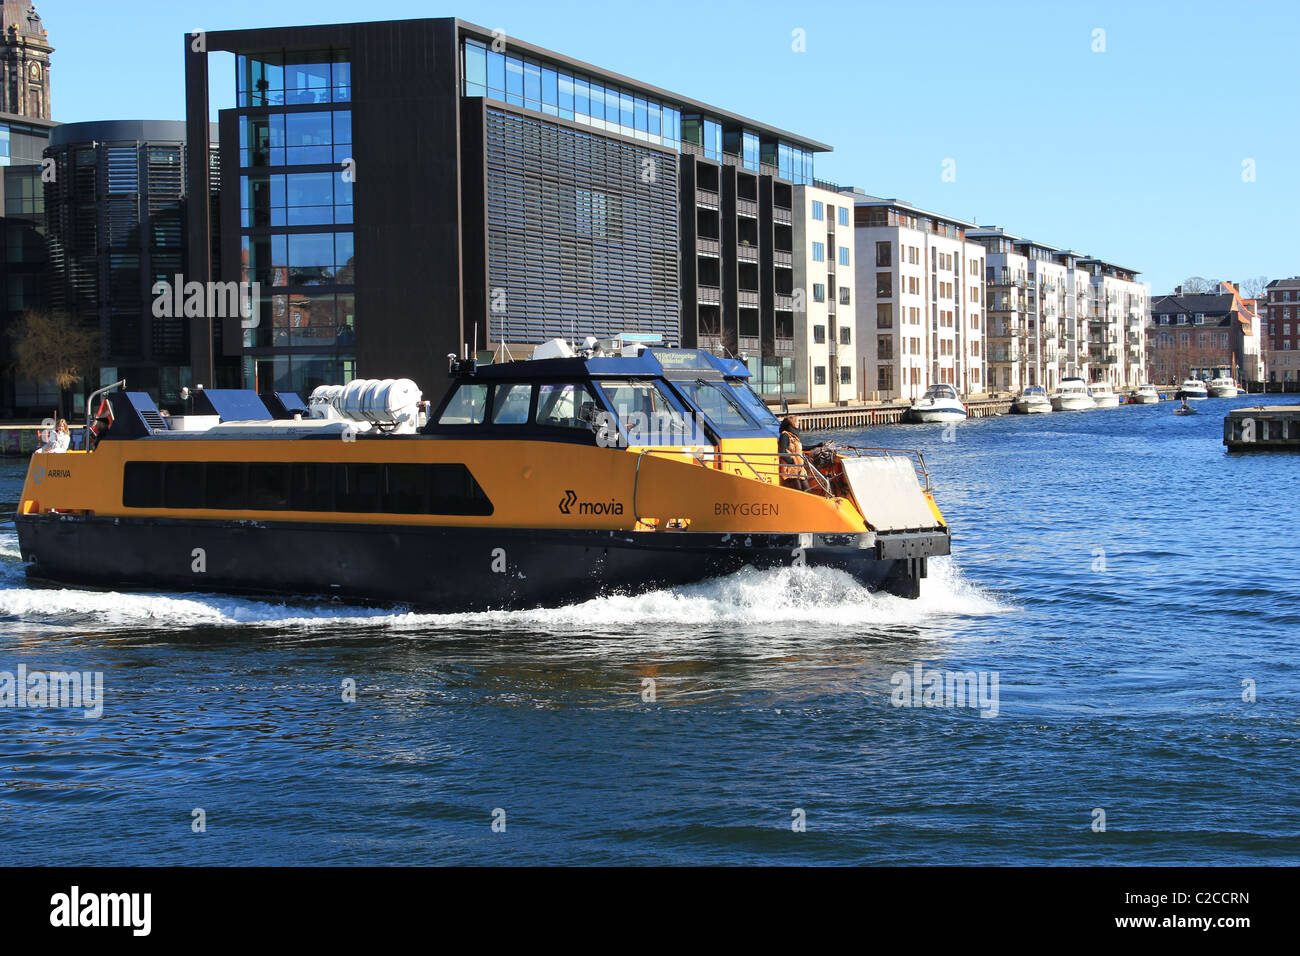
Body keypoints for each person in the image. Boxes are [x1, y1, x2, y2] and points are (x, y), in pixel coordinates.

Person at [778, 417, 811, 492]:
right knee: (798, 489)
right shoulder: (785, 435)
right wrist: (791, 461)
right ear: (792, 423)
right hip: (791, 468)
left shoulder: (794, 436)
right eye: (797, 421)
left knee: (807, 489)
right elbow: (782, 451)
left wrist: (817, 446)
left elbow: (802, 448)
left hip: (799, 467)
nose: (799, 423)